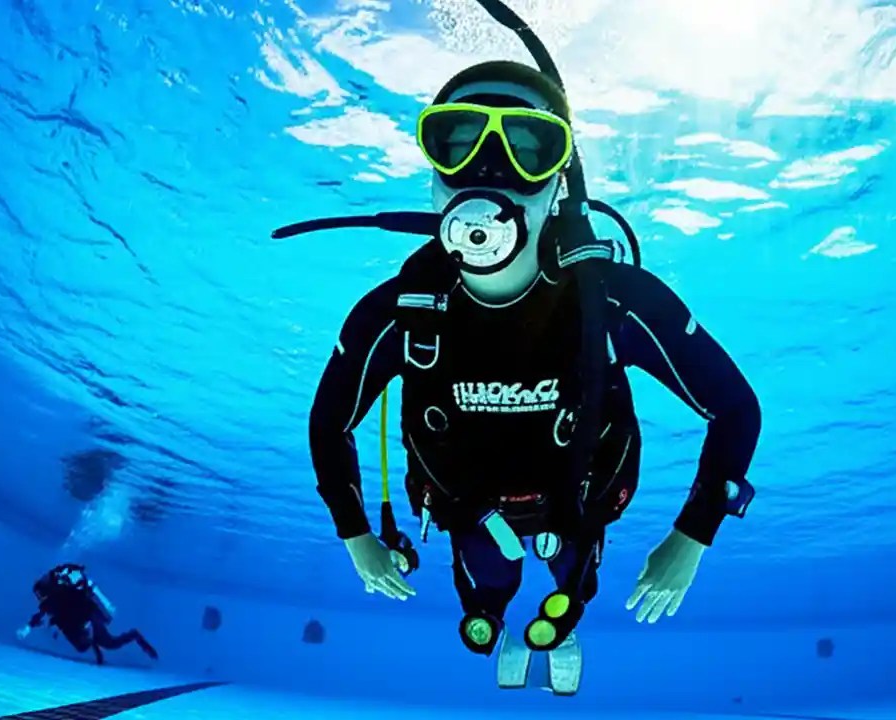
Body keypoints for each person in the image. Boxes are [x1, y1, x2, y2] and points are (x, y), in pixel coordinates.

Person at [295, 1, 761, 696]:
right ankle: (500, 620)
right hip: (463, 507)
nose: (489, 169)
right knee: (484, 594)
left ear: (558, 179)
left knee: (572, 585)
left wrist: (692, 535)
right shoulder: (397, 312)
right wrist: (354, 533)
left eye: (528, 144)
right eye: (456, 139)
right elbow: (329, 421)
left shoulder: (616, 301)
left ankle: (559, 626)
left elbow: (734, 408)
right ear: (431, 174)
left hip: (580, 499)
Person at [17, 563, 158, 665]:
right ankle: (93, 641)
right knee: (82, 647)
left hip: (88, 613)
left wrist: (106, 603)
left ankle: (134, 635)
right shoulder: (51, 597)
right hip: (73, 621)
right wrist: (27, 628)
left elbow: (90, 586)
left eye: (39, 595)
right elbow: (41, 613)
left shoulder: (60, 586)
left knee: (109, 644)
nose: (39, 598)